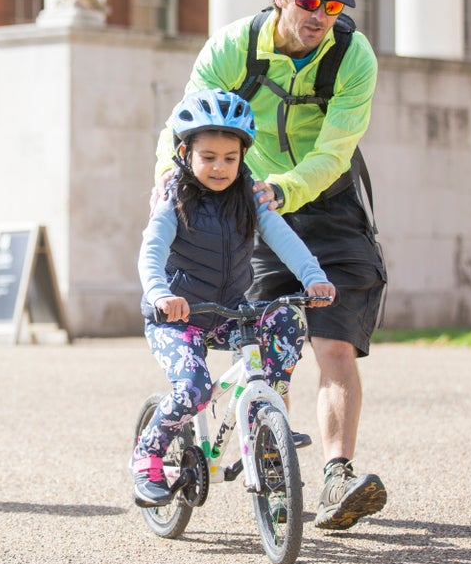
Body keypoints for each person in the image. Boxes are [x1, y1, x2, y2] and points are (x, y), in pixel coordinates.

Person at [151, 0, 388, 529]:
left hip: (324, 203)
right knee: (261, 350)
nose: (317, 15)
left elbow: (335, 150)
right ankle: (273, 467)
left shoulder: (352, 57)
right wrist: (168, 186)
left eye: (332, 8)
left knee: (333, 343)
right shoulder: (233, 46)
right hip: (242, 203)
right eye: (307, 1)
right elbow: (185, 121)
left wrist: (282, 191)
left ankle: (336, 477)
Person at [132, 88, 336, 508]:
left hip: (229, 314)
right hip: (178, 315)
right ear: (186, 153)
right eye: (208, 157)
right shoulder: (174, 198)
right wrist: (160, 294)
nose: (220, 167)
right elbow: (151, 248)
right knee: (193, 388)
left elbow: (286, 240)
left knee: (286, 320)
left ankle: (268, 412)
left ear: (243, 156)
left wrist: (313, 278)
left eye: (230, 157)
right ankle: (147, 454)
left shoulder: (251, 197)